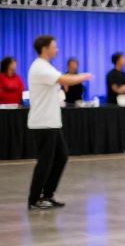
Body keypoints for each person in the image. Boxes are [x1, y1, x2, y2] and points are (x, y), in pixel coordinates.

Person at [26, 36, 92, 210]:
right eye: (54, 46)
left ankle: (47, 195)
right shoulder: (40, 67)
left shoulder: (47, 66)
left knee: (61, 157)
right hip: (43, 123)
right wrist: (83, 76)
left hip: (52, 122)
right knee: (45, 162)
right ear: (45, 48)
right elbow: (65, 80)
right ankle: (34, 199)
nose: (57, 49)